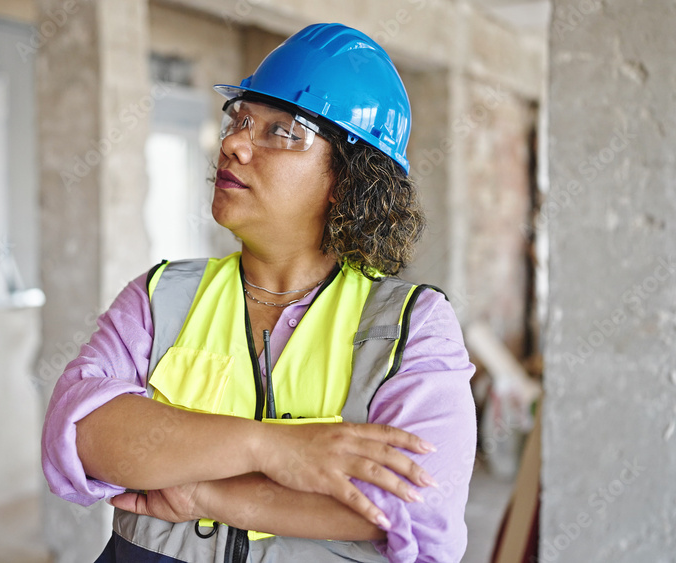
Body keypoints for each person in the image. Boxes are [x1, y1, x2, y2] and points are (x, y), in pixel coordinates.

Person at [42, 22, 476, 563]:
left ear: (349, 178)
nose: (233, 144)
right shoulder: (160, 297)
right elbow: (80, 434)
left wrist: (206, 493)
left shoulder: (410, 325)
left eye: (281, 131)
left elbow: (417, 508)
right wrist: (274, 449)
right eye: (240, 120)